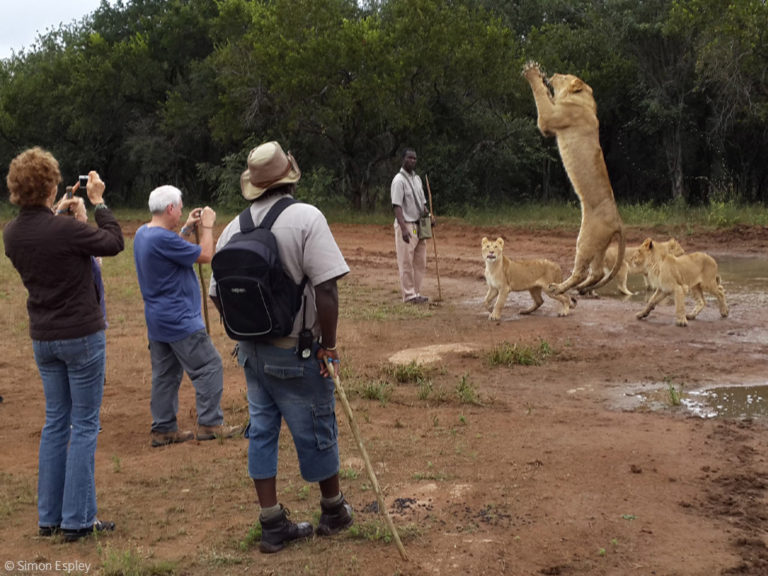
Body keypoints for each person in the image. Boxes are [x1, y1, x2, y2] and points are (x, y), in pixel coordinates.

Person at [209, 141, 353, 553]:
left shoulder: (233, 227)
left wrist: (247, 328)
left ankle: (272, 523)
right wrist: (329, 347)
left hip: (252, 354)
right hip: (298, 350)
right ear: (289, 176)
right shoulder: (307, 217)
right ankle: (332, 509)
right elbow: (326, 288)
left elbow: (218, 294)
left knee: (262, 432)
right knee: (318, 422)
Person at [3, 147, 123, 541]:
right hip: (81, 336)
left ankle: (49, 517)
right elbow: (112, 242)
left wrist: (58, 214)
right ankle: (76, 520)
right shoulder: (65, 229)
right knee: (85, 425)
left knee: (56, 422)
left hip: (44, 338)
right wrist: (99, 201)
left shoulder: (12, 233)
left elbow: (45, 236)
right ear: (51, 185)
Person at [133, 185, 241, 448]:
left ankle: (164, 428)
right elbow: (205, 255)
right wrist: (206, 228)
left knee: (165, 374)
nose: (182, 211)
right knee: (209, 365)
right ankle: (210, 423)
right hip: (179, 319)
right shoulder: (163, 239)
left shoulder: (143, 233)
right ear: (170, 208)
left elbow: (171, 247)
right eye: (180, 207)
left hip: (158, 319)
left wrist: (185, 230)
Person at [391, 147, 431, 303]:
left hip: (419, 224)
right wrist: (403, 229)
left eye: (414, 158)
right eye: (409, 158)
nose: (412, 161)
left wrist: (429, 216)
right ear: (403, 159)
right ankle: (408, 295)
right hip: (406, 224)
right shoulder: (398, 180)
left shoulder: (417, 179)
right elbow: (397, 206)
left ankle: (416, 292)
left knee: (420, 261)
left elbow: (422, 203)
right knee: (406, 261)